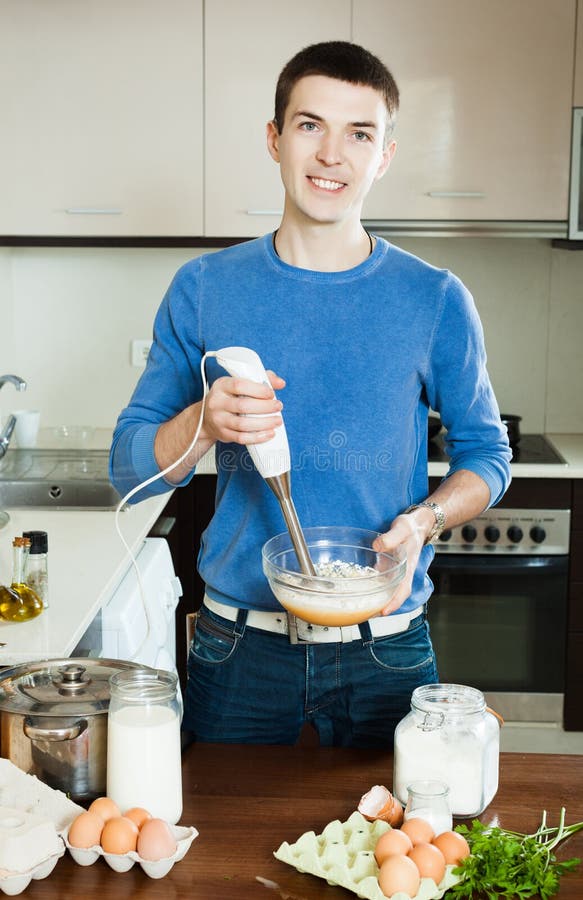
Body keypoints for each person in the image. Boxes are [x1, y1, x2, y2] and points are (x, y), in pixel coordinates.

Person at [110, 40, 511, 748]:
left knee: (395, 849)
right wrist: (203, 422)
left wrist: (423, 521)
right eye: (309, 125)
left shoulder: (434, 299)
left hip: (386, 648)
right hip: (236, 649)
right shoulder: (203, 289)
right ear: (274, 139)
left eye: (359, 133)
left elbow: (486, 455)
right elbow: (129, 471)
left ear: (384, 155)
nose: (332, 154)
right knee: (223, 855)